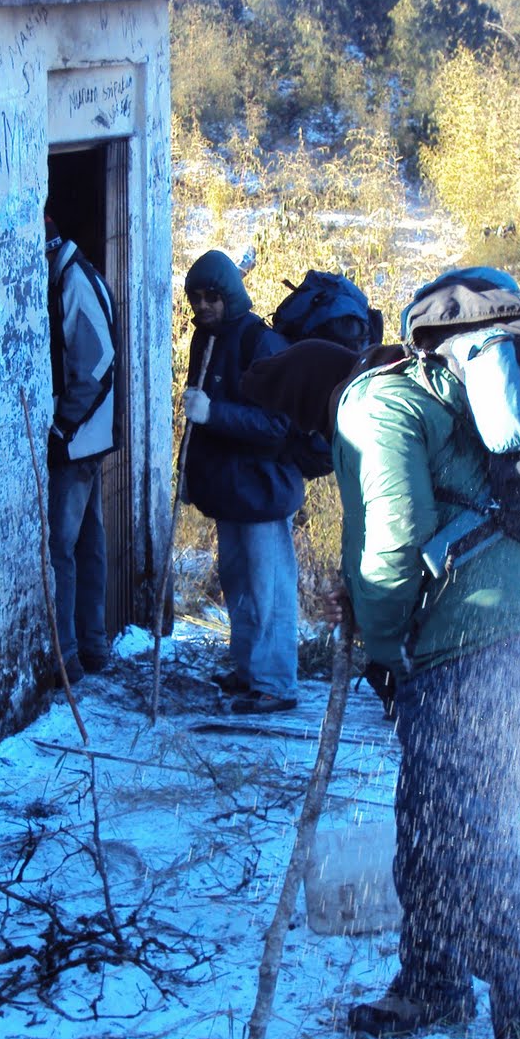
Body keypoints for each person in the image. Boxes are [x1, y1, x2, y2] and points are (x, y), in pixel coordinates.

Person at [242, 330, 520, 1039]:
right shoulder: (407, 390)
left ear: (309, 415)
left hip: (479, 646)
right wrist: (364, 608)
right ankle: (433, 984)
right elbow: (418, 534)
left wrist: (382, 648)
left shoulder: (368, 405)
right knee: (429, 825)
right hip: (500, 635)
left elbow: (393, 548)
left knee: (469, 843)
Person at [180, 250, 302, 715]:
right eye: (197, 297)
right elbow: (197, 418)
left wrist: (215, 413)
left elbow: (277, 425)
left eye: (213, 296)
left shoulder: (260, 341)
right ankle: (250, 670)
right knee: (238, 585)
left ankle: (276, 685)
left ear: (230, 294)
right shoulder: (203, 339)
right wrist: (187, 474)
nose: (204, 304)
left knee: (268, 588)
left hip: (263, 491)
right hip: (229, 491)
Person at [44, 214, 118, 686]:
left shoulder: (73, 281)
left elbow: (97, 363)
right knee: (89, 543)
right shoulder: (80, 273)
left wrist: (63, 428)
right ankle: (93, 646)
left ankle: (68, 655)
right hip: (92, 437)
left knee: (62, 549)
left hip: (80, 441)